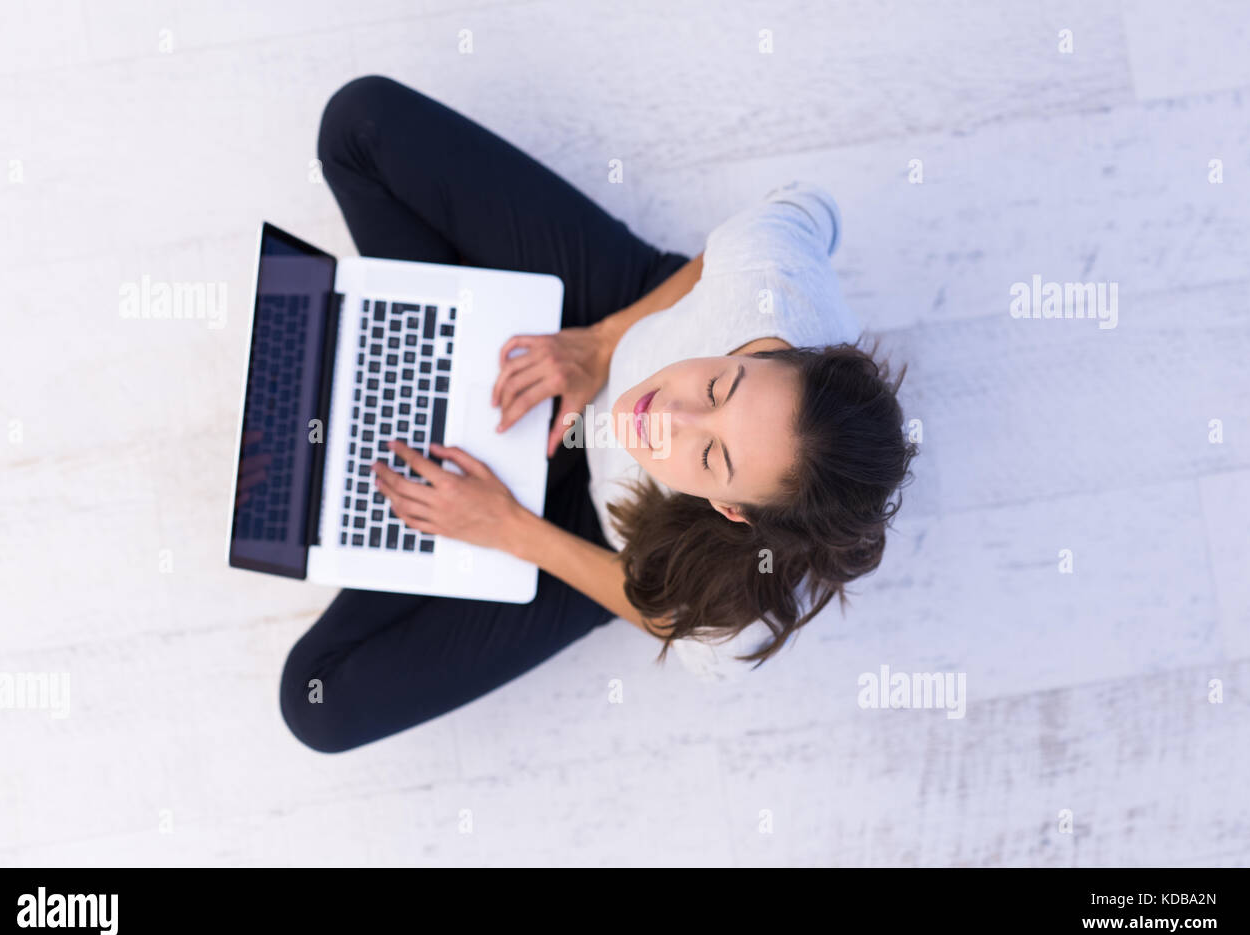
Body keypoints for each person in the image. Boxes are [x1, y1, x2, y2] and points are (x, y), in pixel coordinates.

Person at [279, 76, 917, 753]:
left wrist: (510, 528)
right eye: (721, 387)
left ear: (733, 510)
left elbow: (668, 613)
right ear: (770, 348)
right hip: (613, 317)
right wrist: (603, 342)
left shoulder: (742, 613)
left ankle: (449, 366)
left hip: (596, 525)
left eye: (709, 457)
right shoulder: (772, 276)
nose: (664, 416)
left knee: (319, 698)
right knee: (359, 126)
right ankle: (448, 353)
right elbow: (808, 209)